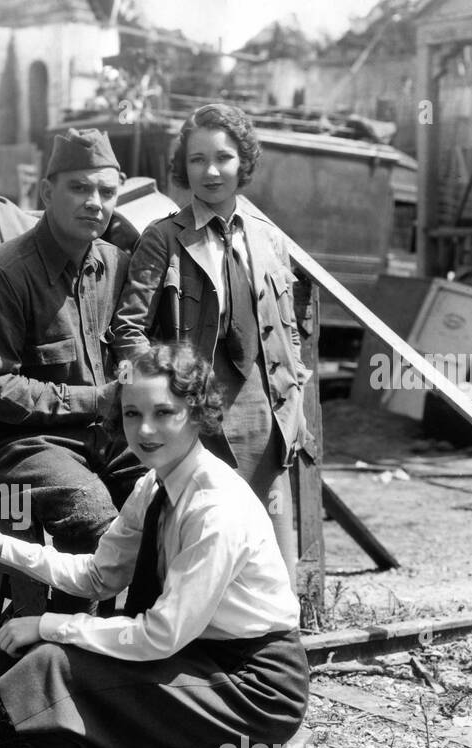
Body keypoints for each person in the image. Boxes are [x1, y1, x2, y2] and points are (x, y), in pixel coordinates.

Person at [0, 344, 308, 748]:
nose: (144, 429)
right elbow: (97, 574)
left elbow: (160, 635)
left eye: (163, 413)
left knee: (51, 667)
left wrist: (50, 625)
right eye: (130, 414)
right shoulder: (156, 485)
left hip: (254, 686)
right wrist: (2, 547)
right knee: (36, 662)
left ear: (197, 413)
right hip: (206, 661)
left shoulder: (215, 507)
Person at [110, 103, 314, 578]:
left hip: (265, 409)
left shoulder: (269, 238)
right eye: (197, 159)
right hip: (199, 414)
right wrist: (163, 400)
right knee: (203, 538)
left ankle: (270, 640)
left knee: (265, 537)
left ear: (243, 162)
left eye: (223, 157)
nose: (211, 171)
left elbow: (288, 334)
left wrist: (295, 401)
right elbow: (127, 330)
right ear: (184, 167)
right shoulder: (163, 238)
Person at [0, 127, 140, 613]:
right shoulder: (3, 274)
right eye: (79, 188)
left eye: (106, 192)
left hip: (100, 435)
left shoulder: (115, 265)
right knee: (94, 516)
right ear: (46, 193)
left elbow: (131, 345)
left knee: (167, 498)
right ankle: (61, 651)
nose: (95, 203)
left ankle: (147, 642)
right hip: (19, 444)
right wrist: (96, 400)